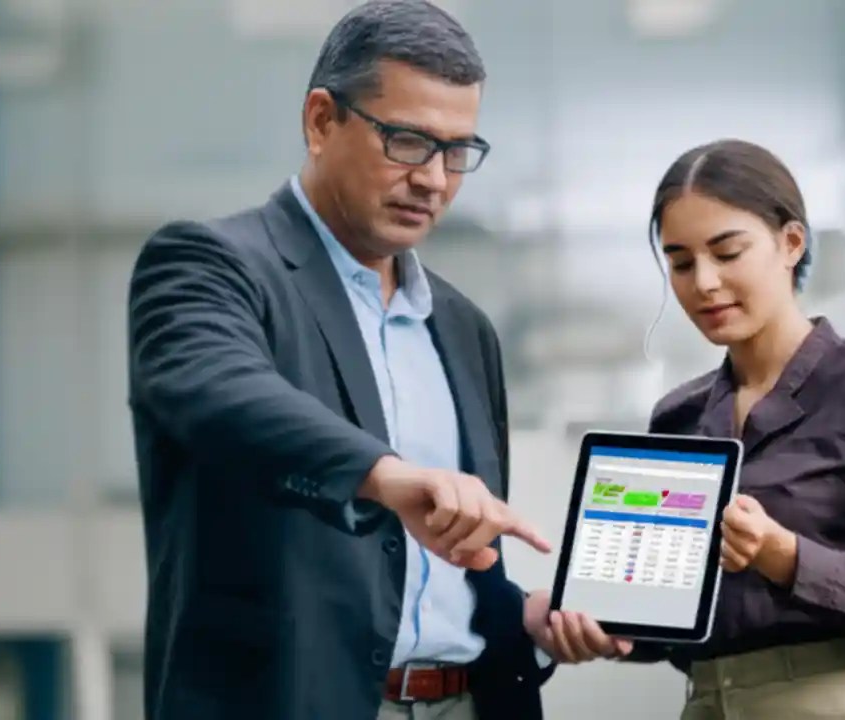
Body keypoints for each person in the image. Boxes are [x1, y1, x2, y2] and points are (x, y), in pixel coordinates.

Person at [126, 2, 628, 719]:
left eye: (457, 151)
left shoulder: (462, 327)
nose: (434, 179)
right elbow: (220, 392)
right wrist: (385, 476)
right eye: (407, 141)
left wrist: (523, 616)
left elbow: (433, 569)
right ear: (321, 121)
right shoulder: (210, 266)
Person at [628, 139, 845, 719]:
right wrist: (603, 625)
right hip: (710, 703)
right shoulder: (678, 417)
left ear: (791, 242)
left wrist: (783, 555)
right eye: (681, 263)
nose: (703, 282)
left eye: (727, 252)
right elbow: (673, 624)